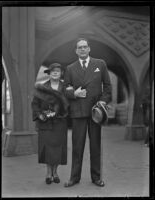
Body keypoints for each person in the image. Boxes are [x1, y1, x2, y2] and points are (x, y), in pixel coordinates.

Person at [64, 38, 112, 187]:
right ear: (76, 51)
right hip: (78, 112)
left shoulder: (100, 64)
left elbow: (108, 87)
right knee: (77, 147)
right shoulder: (70, 68)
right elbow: (65, 89)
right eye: (80, 47)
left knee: (95, 146)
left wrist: (103, 101)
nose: (83, 49)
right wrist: (74, 94)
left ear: (89, 49)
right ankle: (74, 178)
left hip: (95, 112)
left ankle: (96, 178)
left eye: (85, 47)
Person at [31, 63, 69, 184]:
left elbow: (69, 105)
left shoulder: (65, 88)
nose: (55, 73)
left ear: (61, 73)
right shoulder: (42, 87)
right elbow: (35, 104)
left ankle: (55, 172)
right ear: (49, 73)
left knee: (58, 148)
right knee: (47, 148)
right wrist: (41, 115)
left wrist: (59, 112)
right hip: (45, 123)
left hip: (60, 122)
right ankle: (48, 173)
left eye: (57, 71)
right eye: (53, 71)